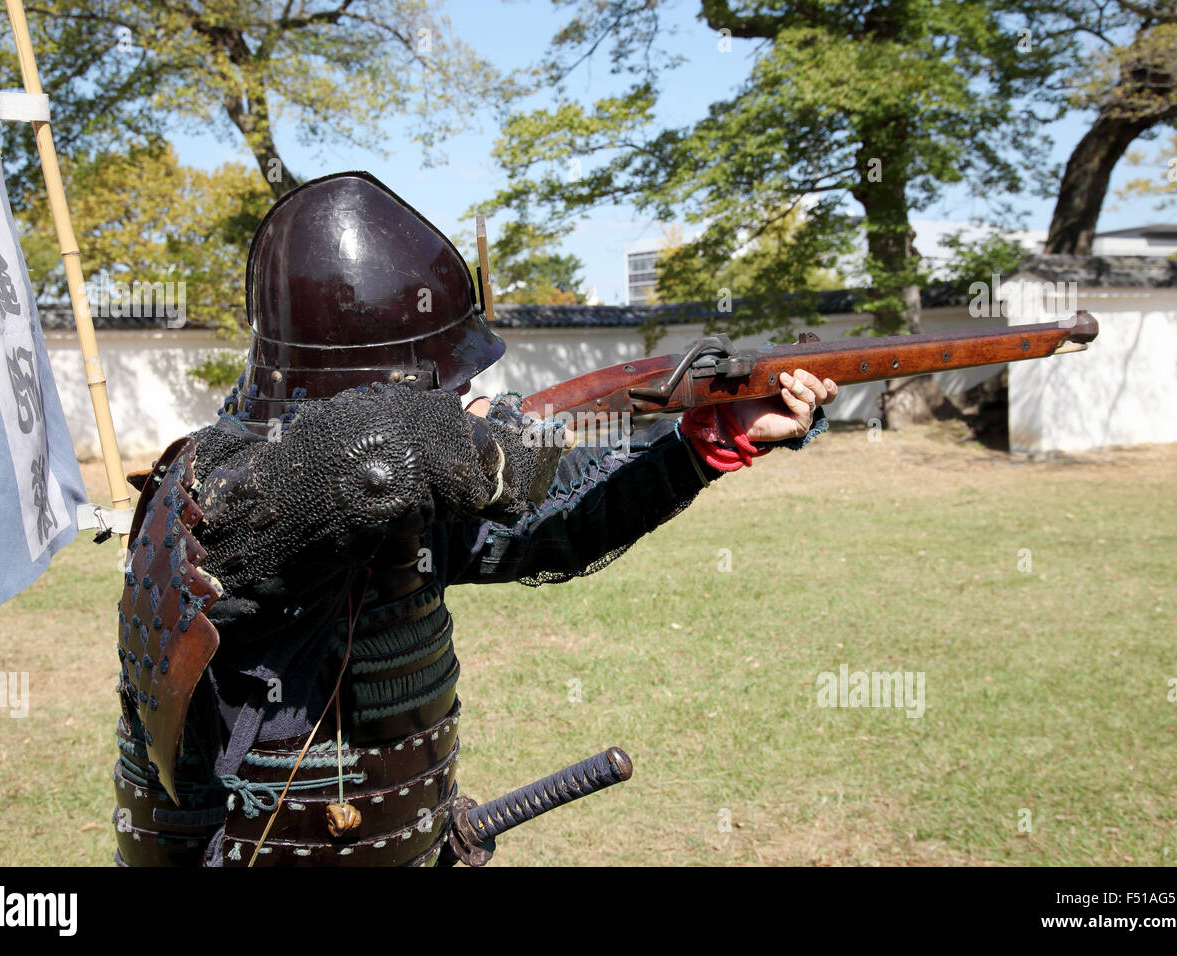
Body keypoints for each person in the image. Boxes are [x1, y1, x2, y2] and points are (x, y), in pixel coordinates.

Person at [111, 171, 835, 867]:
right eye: (442, 385)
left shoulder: (385, 504)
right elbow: (374, 460)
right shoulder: (224, 493)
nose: (462, 398)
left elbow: (558, 525)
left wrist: (709, 439)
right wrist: (489, 451)